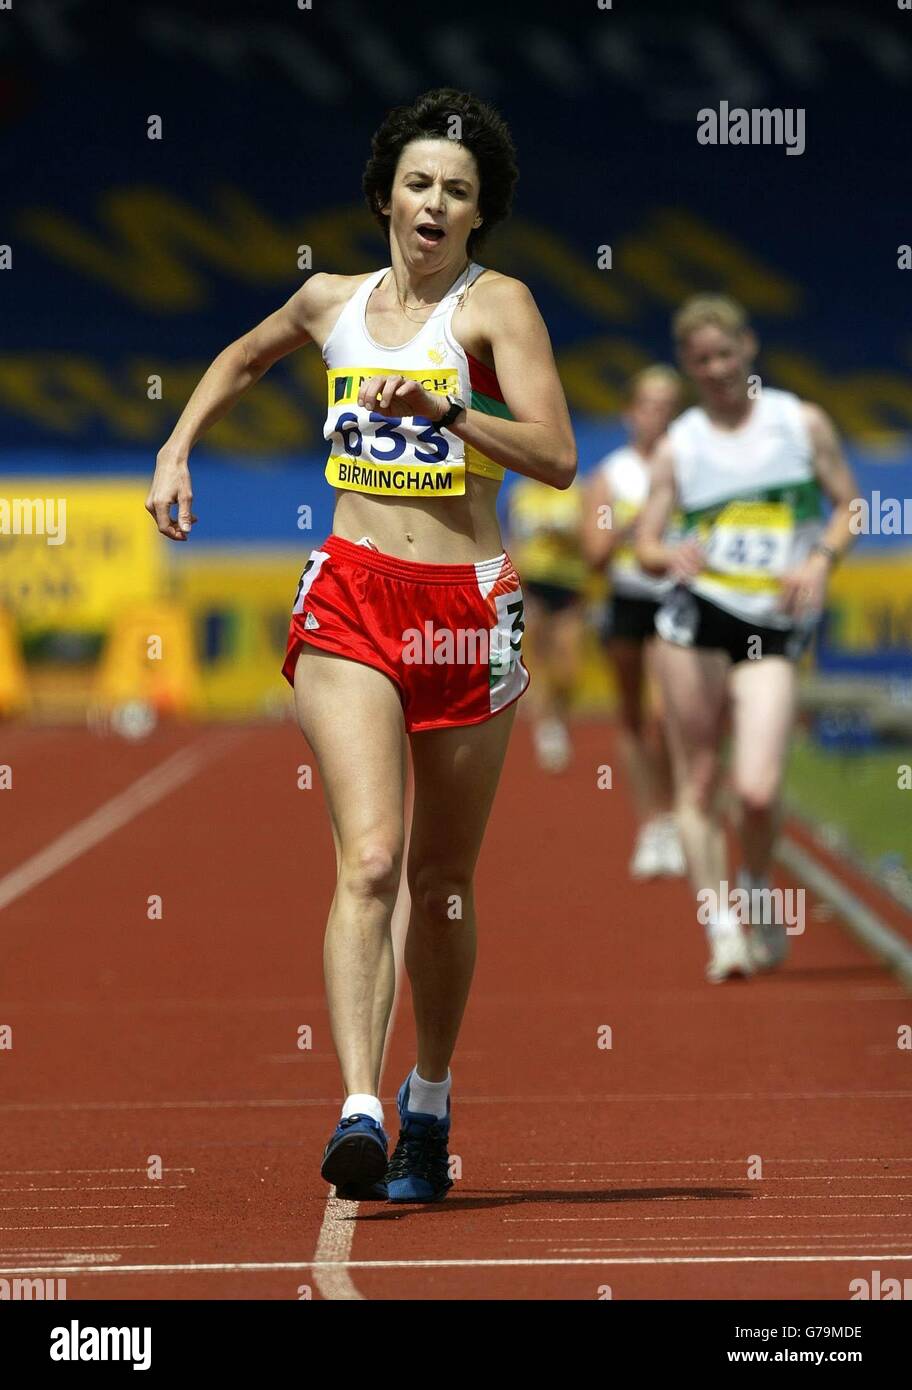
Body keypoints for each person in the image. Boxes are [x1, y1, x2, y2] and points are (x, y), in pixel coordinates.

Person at [145, 88, 576, 1199]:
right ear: (386, 192)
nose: (436, 204)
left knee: (441, 877)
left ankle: (429, 1094)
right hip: (351, 595)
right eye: (421, 183)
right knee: (373, 855)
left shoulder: (499, 308)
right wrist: (177, 448)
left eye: (460, 192)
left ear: (481, 216)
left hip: (464, 605)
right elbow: (241, 358)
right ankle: (356, 1106)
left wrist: (453, 417)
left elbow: (559, 454)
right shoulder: (330, 299)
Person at [636, 296, 857, 982]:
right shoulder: (682, 445)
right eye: (700, 360)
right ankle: (720, 930)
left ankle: (756, 885)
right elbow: (644, 540)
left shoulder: (799, 422)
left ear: (748, 349)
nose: (716, 370)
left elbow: (848, 505)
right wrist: (666, 557)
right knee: (699, 778)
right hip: (695, 621)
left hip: (773, 620)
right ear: (688, 366)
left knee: (756, 789)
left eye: (725, 354)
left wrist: (820, 557)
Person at [583, 365, 687, 877]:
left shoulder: (691, 467)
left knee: (668, 716)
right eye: (648, 404)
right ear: (630, 413)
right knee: (631, 717)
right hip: (628, 600)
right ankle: (650, 823)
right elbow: (595, 554)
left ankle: (674, 816)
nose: (658, 414)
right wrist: (636, 520)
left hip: (677, 599)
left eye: (668, 405)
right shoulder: (610, 474)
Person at [505, 474, 586, 771]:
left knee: (569, 667)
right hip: (532, 583)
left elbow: (590, 537)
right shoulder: (521, 495)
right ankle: (546, 727)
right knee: (536, 659)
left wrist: (566, 533)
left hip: (569, 586)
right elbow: (514, 539)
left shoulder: (577, 493)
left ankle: (559, 717)